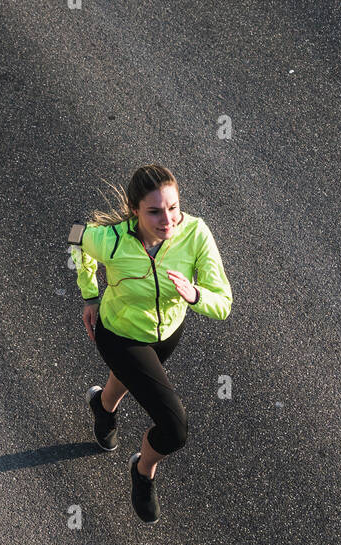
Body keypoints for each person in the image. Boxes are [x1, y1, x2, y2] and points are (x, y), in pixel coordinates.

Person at [68, 164, 232, 523]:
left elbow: (224, 304)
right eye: (155, 211)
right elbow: (77, 235)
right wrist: (89, 294)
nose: (167, 219)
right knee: (174, 428)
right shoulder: (111, 240)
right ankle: (143, 471)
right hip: (119, 335)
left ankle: (102, 405)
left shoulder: (196, 234)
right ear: (135, 210)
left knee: (129, 378)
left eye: (173, 207)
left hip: (166, 335)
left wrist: (195, 294)